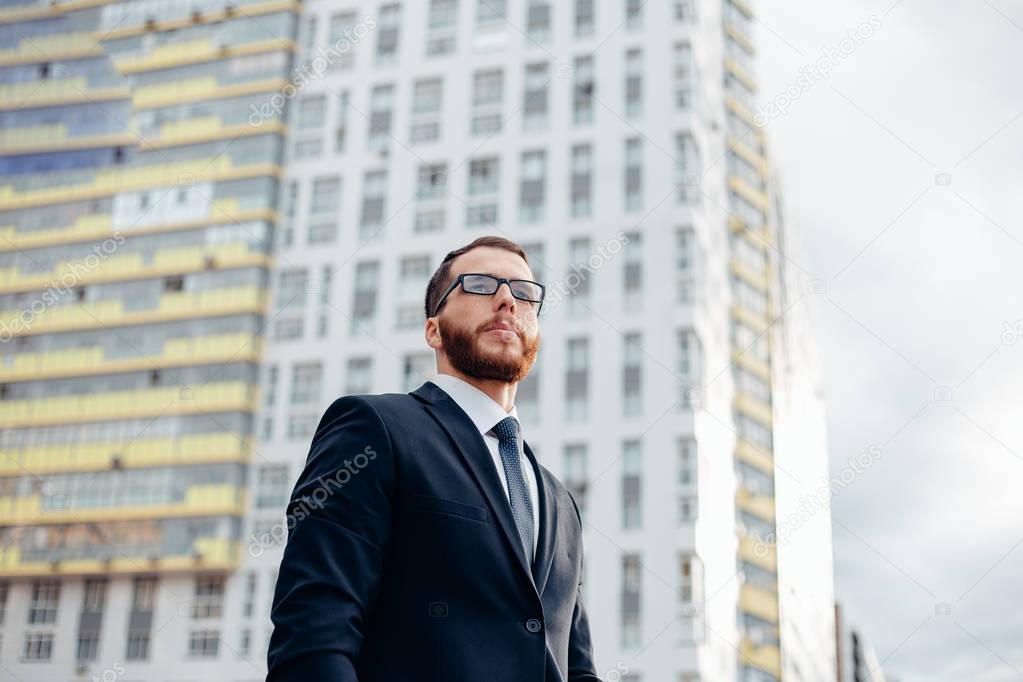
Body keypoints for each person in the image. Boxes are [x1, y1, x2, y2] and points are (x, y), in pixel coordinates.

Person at [266, 236, 602, 681]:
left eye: (524, 293)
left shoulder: (560, 502)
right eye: (480, 284)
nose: (506, 299)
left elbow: (576, 669)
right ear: (433, 329)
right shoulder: (374, 429)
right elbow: (313, 634)